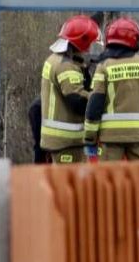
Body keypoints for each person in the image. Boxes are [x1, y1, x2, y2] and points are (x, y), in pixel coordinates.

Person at [84, 17, 139, 161]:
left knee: (109, 183)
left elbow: (94, 105)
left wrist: (90, 139)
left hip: (110, 139)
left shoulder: (103, 67)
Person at [39, 15, 99, 164]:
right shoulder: (66, 66)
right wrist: (99, 97)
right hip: (67, 141)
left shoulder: (54, 59)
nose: (91, 47)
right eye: (90, 43)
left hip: (58, 140)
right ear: (81, 41)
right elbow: (78, 102)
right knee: (69, 185)